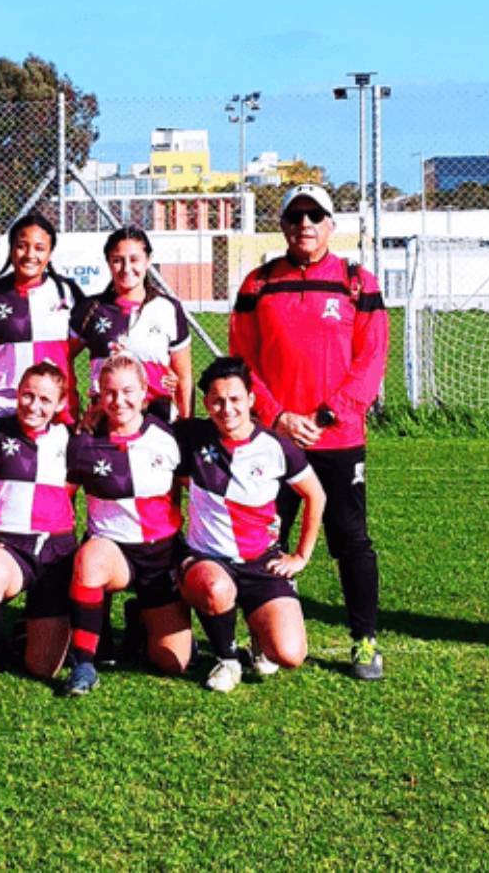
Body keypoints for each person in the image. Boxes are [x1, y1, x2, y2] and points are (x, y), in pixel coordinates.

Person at [228, 183, 389, 680]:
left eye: (314, 215)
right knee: (261, 540)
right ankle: (261, 637)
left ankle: (364, 642)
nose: (305, 224)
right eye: (295, 216)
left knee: (350, 540)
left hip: (335, 439)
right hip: (274, 440)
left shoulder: (357, 282)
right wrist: (277, 418)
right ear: (282, 226)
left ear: (330, 224)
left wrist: (323, 417)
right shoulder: (257, 284)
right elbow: (243, 361)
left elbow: (371, 360)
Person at [176, 356, 326, 693]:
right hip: (208, 558)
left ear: (251, 400)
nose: (226, 408)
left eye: (235, 399)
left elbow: (316, 496)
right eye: (217, 400)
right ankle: (227, 658)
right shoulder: (193, 436)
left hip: (261, 560)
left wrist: (301, 556)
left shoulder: (276, 447)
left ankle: (259, 633)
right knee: (215, 588)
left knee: (289, 655)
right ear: (206, 403)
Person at [62, 354, 189, 696]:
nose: (119, 401)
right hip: (113, 550)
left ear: (146, 392)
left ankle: (140, 618)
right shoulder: (83, 442)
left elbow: (192, 489)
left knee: (172, 662)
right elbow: (61, 500)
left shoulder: (167, 435)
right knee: (90, 561)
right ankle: (84, 663)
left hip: (161, 555)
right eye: (110, 392)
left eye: (128, 391)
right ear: (99, 395)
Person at [0, 361, 76, 700]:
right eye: (28, 395)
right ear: (17, 395)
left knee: (42, 668)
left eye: (45, 399)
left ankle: (21, 632)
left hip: (57, 549)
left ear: (60, 404)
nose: (34, 406)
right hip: (10, 544)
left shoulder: (72, 437)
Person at [70, 226, 193, 421]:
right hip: (107, 417)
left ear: (148, 260)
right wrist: (72, 404)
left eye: (134, 259)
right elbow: (60, 357)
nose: (127, 268)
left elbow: (184, 376)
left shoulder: (168, 308)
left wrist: (187, 423)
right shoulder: (90, 309)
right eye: (118, 260)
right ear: (108, 262)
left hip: (158, 416)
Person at [0, 213, 83, 420]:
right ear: (11, 249)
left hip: (56, 407)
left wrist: (55, 357)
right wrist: (2, 365)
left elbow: (79, 341)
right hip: (5, 405)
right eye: (22, 246)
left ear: (50, 252)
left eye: (40, 248)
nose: (30, 254)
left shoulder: (67, 291)